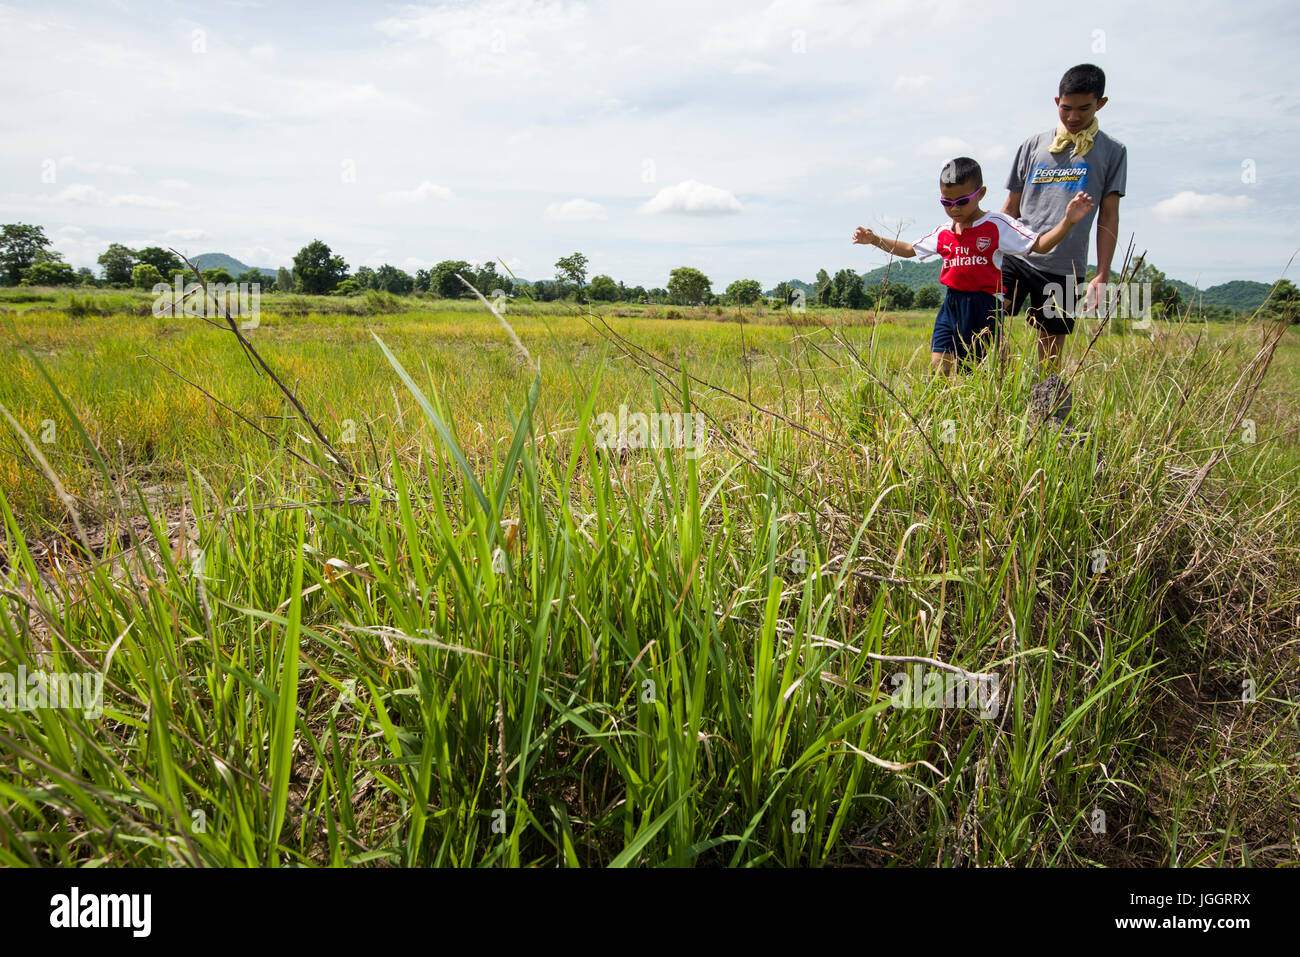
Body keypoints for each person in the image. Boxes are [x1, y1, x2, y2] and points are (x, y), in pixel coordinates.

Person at [853, 157, 1094, 374]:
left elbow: (1039, 245)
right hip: (952, 304)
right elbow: (908, 250)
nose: (954, 209)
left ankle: (979, 412)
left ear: (980, 194)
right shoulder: (944, 232)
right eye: (946, 202)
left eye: (962, 201)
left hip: (984, 306)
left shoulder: (997, 224)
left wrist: (1068, 221)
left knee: (973, 371)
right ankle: (942, 416)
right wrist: (874, 240)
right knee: (939, 366)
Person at [1002, 63, 1128, 370]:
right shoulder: (1032, 145)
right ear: (1057, 102)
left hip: (1064, 266)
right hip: (1017, 255)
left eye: (1084, 109)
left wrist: (1103, 272)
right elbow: (1010, 208)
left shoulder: (1112, 151)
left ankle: (1044, 413)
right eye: (1066, 108)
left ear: (1101, 104)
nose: (1073, 117)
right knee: (986, 329)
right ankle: (994, 402)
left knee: (1050, 352)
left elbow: (1109, 217)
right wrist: (988, 250)